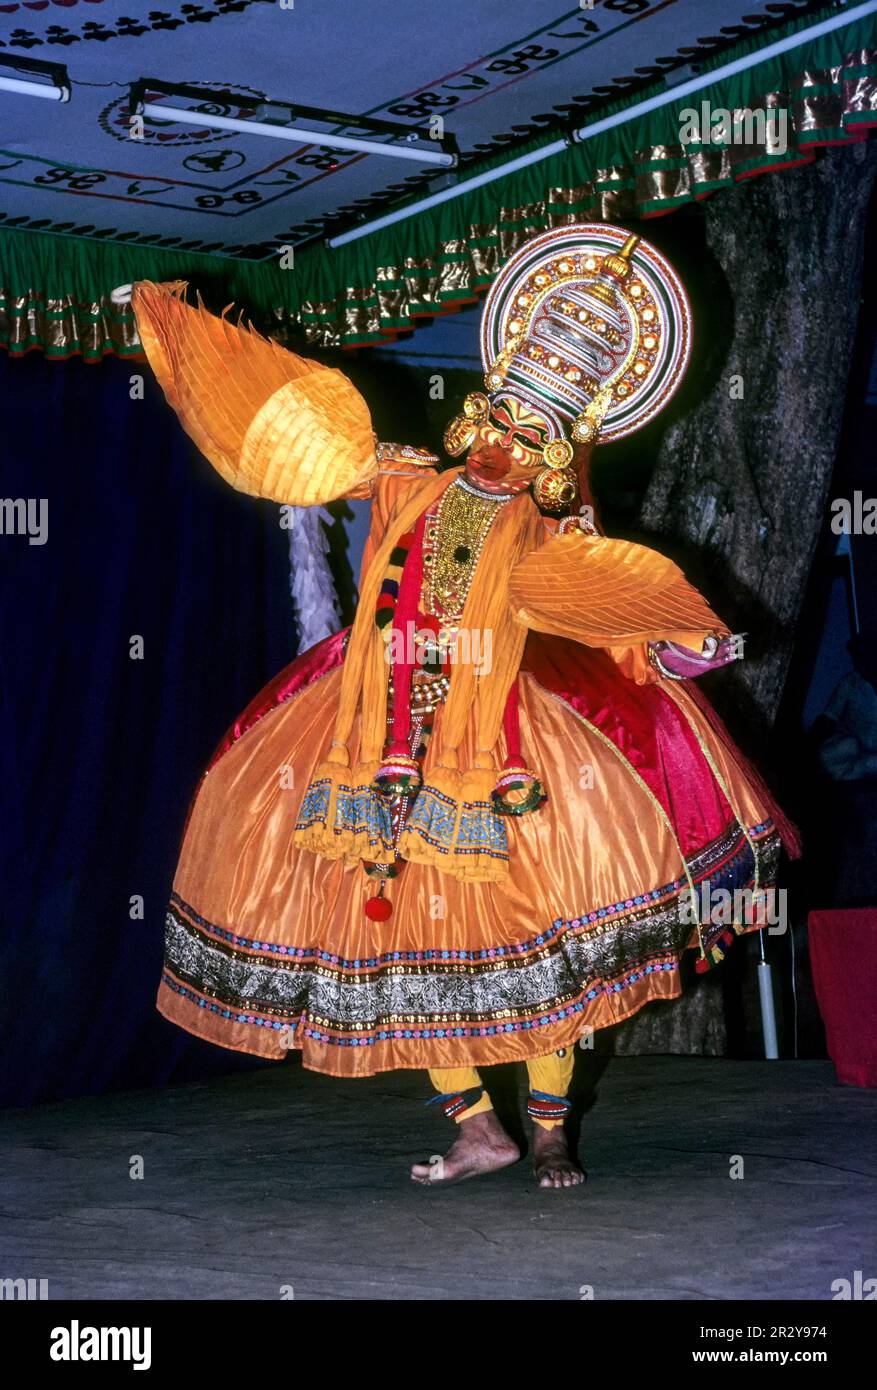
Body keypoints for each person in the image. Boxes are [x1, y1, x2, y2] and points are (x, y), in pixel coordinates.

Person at [123, 223, 798, 1189]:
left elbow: (606, 599)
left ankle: (554, 1129)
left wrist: (676, 636)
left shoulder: (553, 534)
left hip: (501, 751)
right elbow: (296, 444)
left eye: (528, 435)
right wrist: (190, 344)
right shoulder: (403, 477)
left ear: (554, 453)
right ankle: (479, 1126)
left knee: (535, 941)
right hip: (373, 739)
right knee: (395, 937)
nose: (501, 444)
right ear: (473, 414)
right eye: (495, 420)